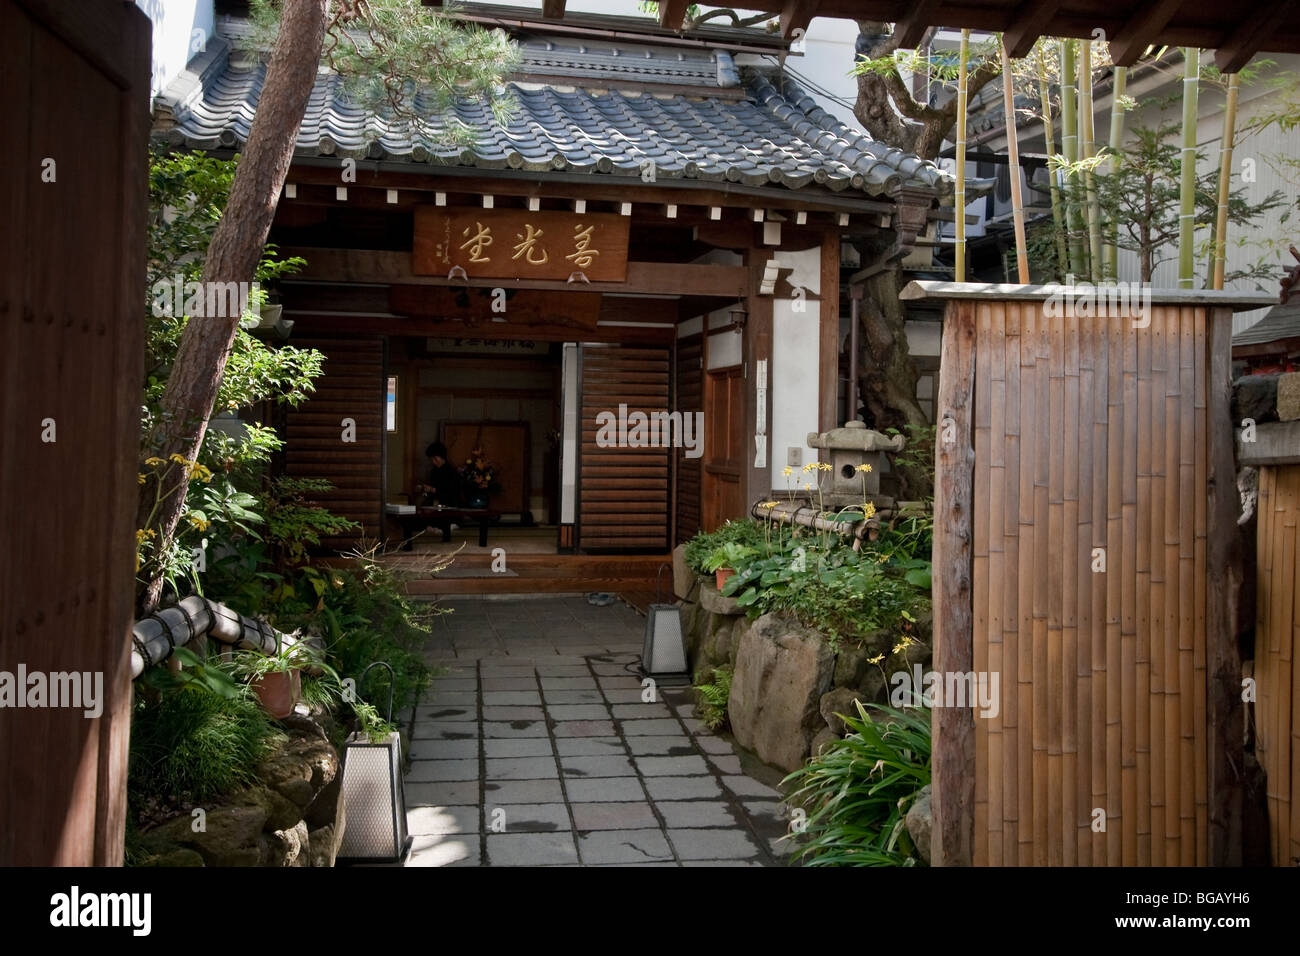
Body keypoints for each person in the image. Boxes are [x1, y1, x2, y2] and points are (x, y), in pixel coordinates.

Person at [413, 441, 462, 542]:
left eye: (436, 459)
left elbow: (451, 493)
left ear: (442, 457)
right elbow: (431, 490)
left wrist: (433, 489)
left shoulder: (452, 472)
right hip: (435, 505)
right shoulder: (434, 471)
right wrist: (424, 488)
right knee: (416, 518)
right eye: (432, 459)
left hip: (449, 505)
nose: (434, 462)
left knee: (442, 520)